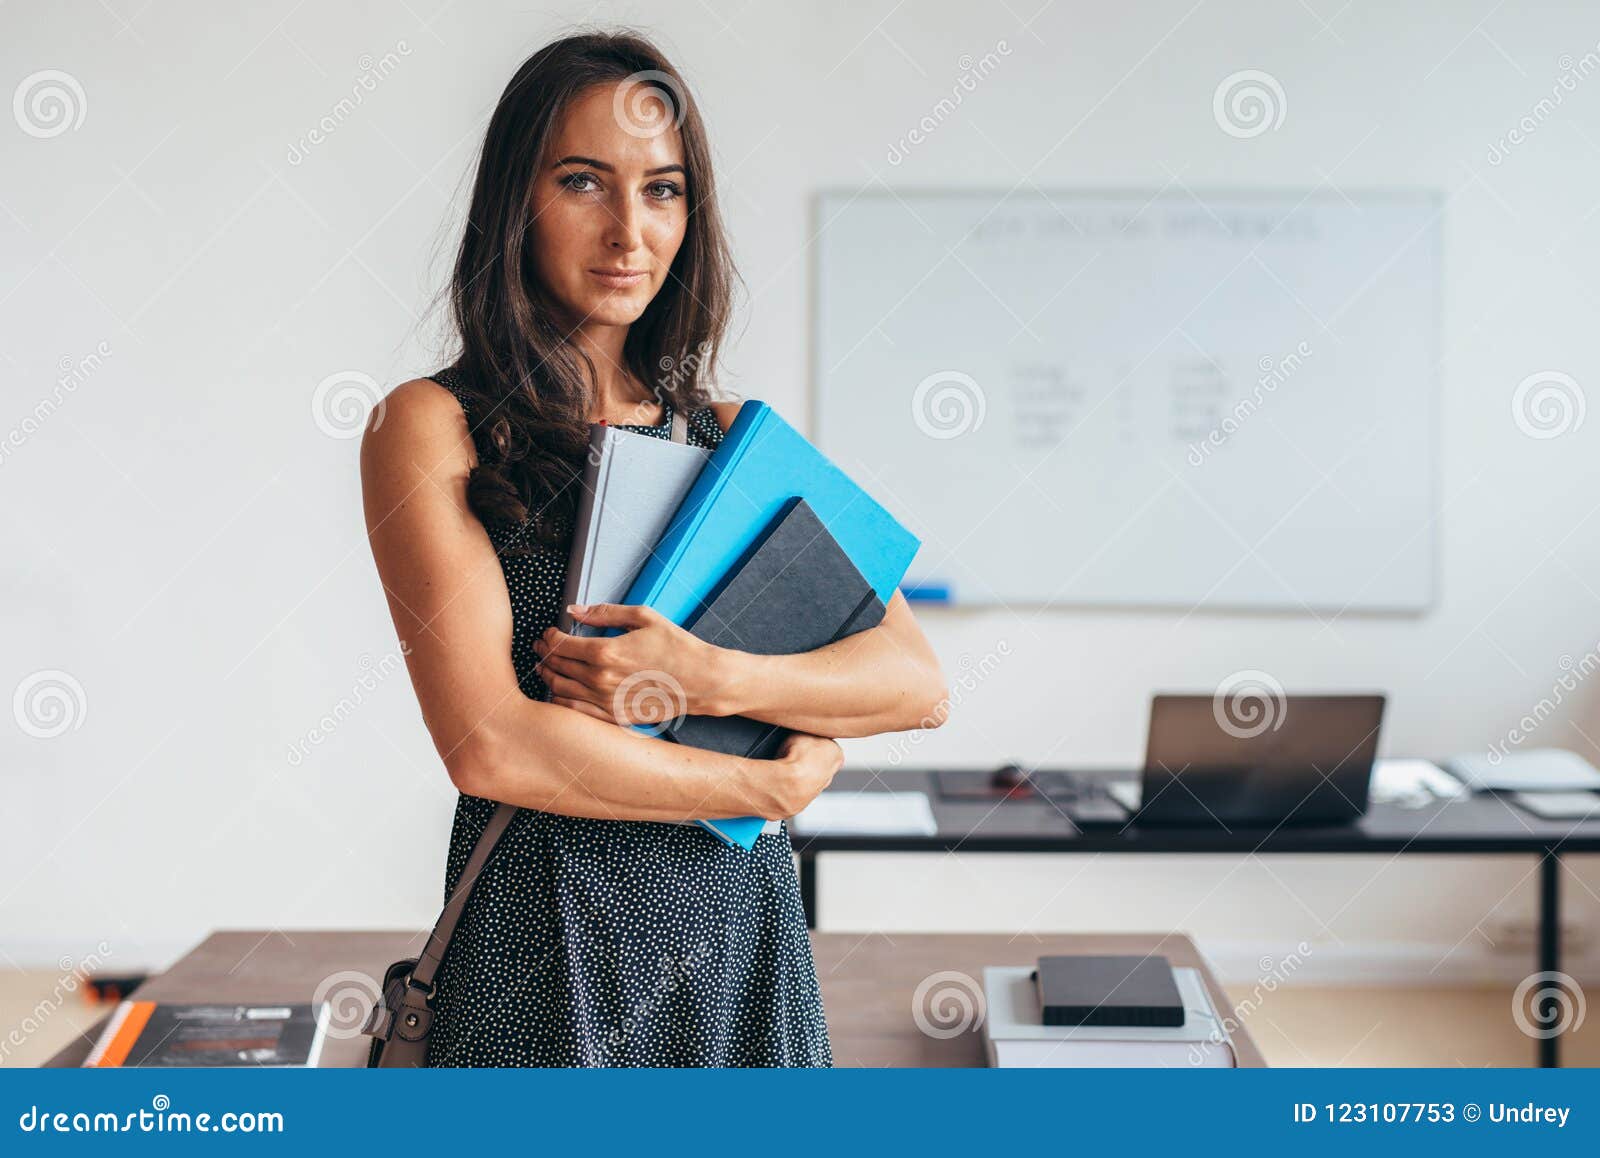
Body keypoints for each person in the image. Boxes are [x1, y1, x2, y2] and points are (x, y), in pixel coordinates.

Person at [359, 29, 948, 1067]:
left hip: (739, 935)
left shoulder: (730, 435)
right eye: (584, 182)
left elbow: (911, 682)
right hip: (541, 939)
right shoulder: (435, 424)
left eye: (663, 190)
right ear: (516, 202)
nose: (629, 230)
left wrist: (705, 676)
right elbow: (491, 744)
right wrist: (761, 788)